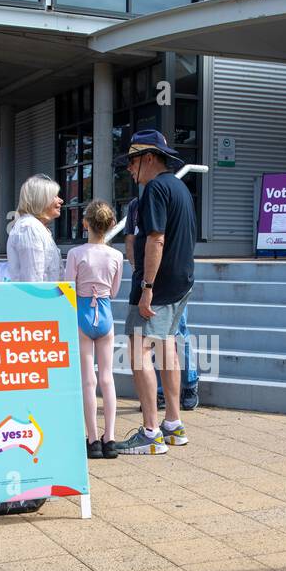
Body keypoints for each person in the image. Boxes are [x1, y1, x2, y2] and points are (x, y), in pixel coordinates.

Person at [116, 130, 196, 455]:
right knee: (168, 350)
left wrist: (147, 287)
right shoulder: (179, 187)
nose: (129, 169)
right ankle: (173, 425)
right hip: (182, 280)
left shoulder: (154, 189)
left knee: (139, 352)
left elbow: (155, 238)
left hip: (158, 284)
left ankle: (150, 432)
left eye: (132, 161)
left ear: (148, 157)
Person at [64, 200, 123, 460]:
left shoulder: (76, 254)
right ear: (111, 225)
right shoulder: (117, 256)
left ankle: (92, 439)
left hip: (82, 314)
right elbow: (115, 290)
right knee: (107, 378)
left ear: (85, 222)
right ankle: (109, 437)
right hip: (105, 313)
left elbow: (68, 286)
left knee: (88, 381)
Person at [6, 175, 63, 283]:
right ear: (41, 199)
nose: (61, 200)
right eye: (55, 196)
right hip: (39, 299)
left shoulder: (35, 227)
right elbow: (33, 281)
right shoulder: (29, 228)